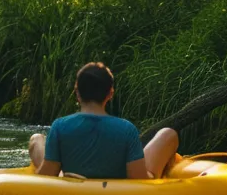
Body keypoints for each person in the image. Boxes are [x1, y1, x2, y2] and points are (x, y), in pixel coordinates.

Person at [28, 62, 179, 179]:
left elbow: (47, 176)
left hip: (72, 181)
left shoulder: (59, 126)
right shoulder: (127, 129)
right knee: (168, 133)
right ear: (110, 94)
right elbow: (138, 179)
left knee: (36, 139)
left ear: (77, 93)